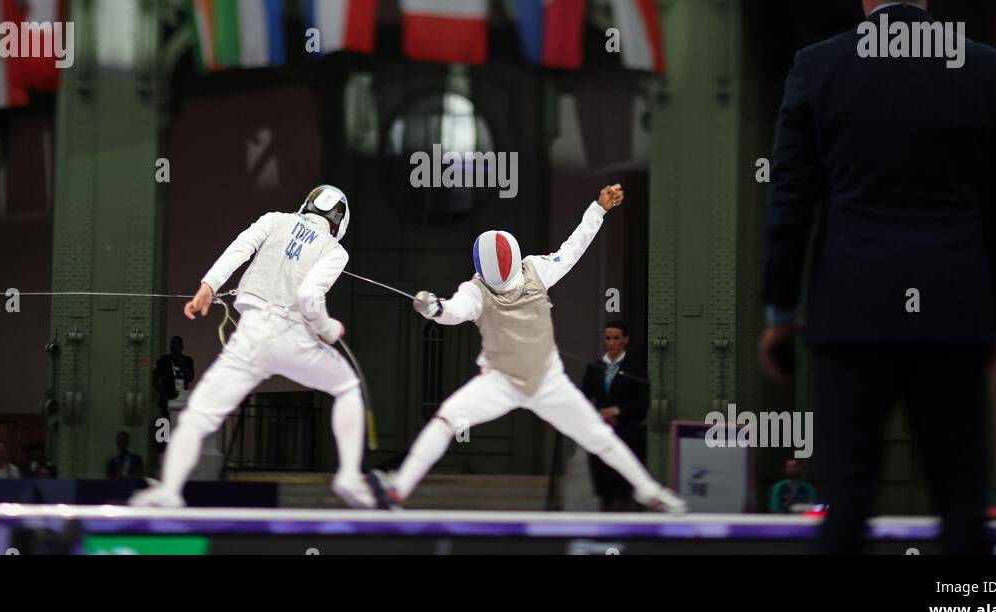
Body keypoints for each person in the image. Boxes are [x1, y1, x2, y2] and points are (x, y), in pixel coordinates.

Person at [758, 0, 996, 554]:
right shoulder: (985, 71)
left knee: (847, 501)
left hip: (853, 311)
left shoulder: (817, 69)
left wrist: (780, 310)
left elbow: (791, 200)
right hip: (955, 314)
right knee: (963, 506)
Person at [370, 184, 685, 514]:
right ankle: (398, 490)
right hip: (501, 381)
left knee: (594, 436)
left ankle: (649, 490)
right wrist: (437, 309)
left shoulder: (529, 272)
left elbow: (573, 248)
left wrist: (436, 310)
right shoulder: (482, 288)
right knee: (451, 420)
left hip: (547, 381)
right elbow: (455, 310)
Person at [131, 185, 374, 508]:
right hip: (293, 337)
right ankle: (348, 476)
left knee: (198, 415)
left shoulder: (274, 220)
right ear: (339, 222)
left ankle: (170, 490)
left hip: (250, 336)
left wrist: (208, 286)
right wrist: (328, 329)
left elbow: (240, 248)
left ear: (307, 205)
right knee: (346, 387)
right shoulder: (335, 250)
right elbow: (308, 298)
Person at [579, 320, 650, 511]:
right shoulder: (595, 368)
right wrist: (598, 414)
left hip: (627, 431)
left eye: (616, 338)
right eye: (608, 338)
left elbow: (643, 401)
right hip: (602, 433)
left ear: (625, 340)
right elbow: (584, 398)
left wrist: (617, 411)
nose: (611, 343)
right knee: (604, 486)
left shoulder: (636, 368)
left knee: (624, 486)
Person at [153, 336, 195, 419]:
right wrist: (164, 395)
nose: (175, 348)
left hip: (181, 400)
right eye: (173, 345)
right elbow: (154, 380)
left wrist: (180, 362)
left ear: (182, 347)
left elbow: (190, 377)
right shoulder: (164, 360)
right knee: (166, 424)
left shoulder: (187, 360)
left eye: (177, 345)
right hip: (167, 400)